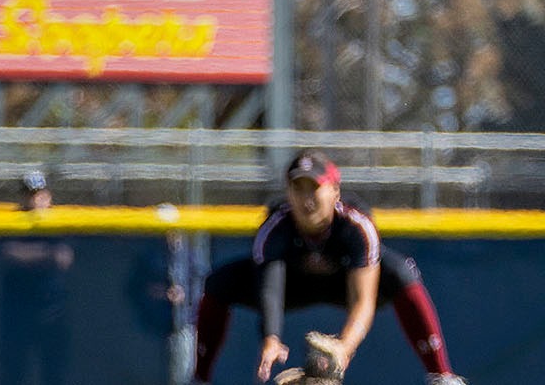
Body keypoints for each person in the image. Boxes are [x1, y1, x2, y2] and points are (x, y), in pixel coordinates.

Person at [192, 149, 466, 385]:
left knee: (401, 271)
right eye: (297, 188)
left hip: (345, 286)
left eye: (314, 186)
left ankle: (441, 374)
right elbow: (270, 291)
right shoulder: (276, 228)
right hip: (293, 287)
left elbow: (363, 302)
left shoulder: (356, 226)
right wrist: (271, 338)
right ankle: (199, 378)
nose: (306, 197)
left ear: (335, 190)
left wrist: (344, 348)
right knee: (219, 281)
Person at [0, 169, 74, 385]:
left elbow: (64, 258)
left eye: (40, 194)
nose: (36, 200)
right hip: (17, 312)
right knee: (14, 372)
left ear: (49, 196)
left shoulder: (59, 221)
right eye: (30, 195)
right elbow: (8, 254)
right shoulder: (12, 220)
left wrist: (29, 255)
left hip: (53, 311)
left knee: (54, 373)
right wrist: (46, 255)